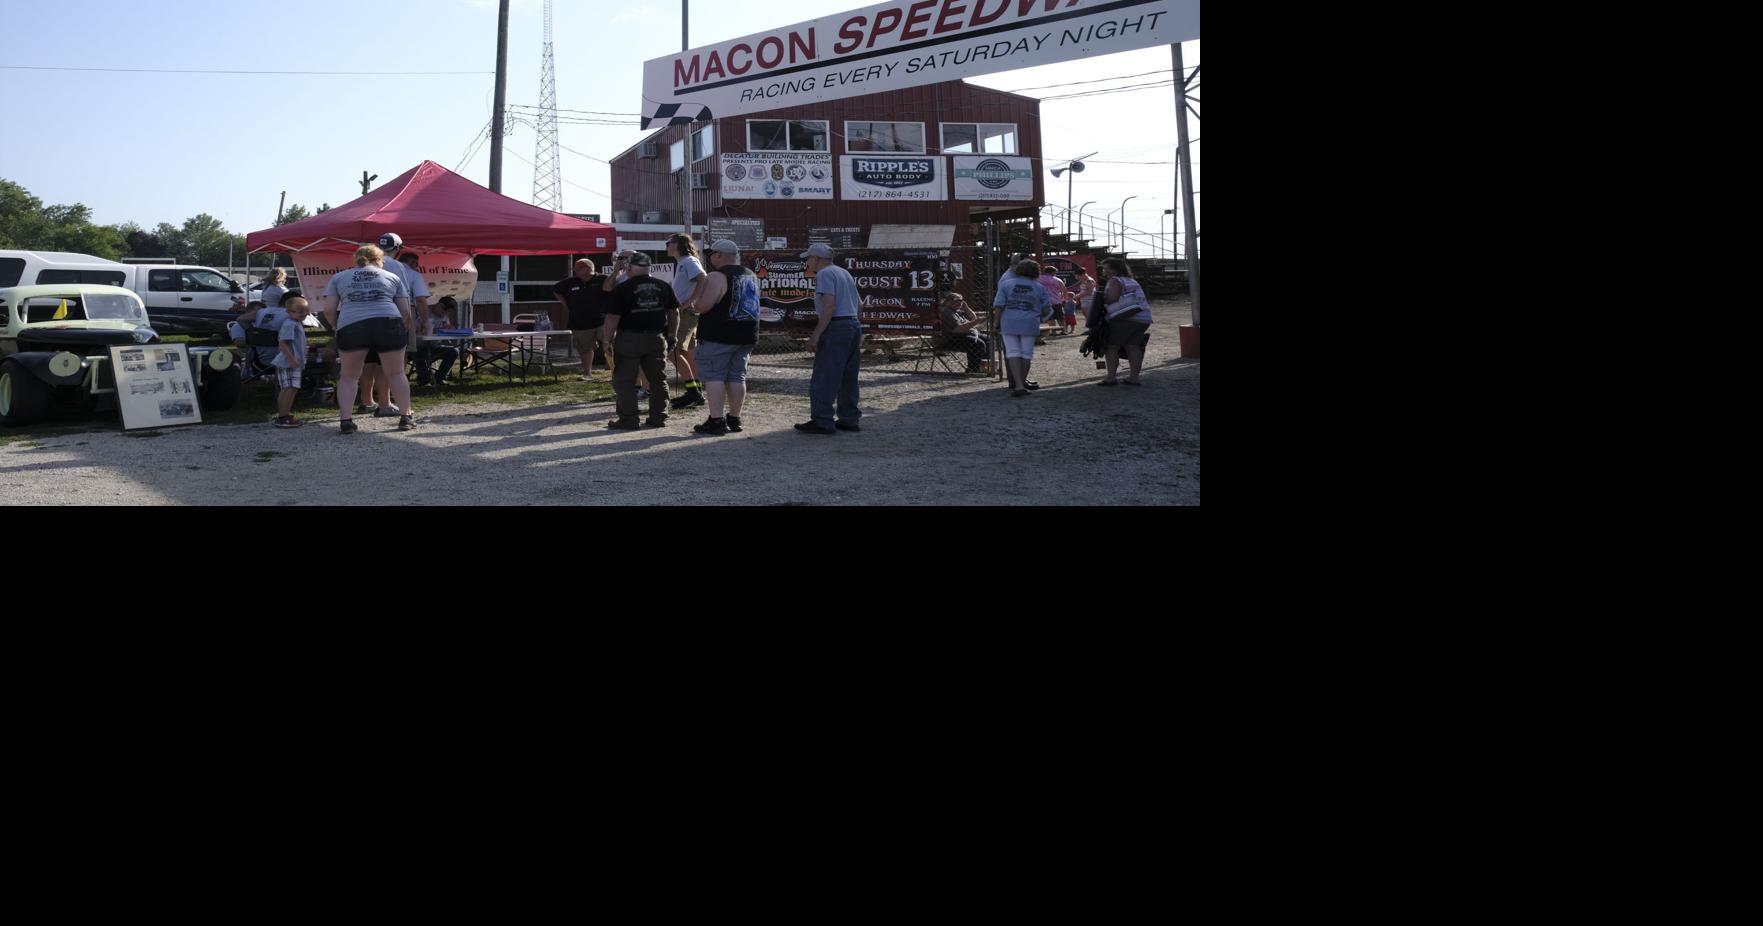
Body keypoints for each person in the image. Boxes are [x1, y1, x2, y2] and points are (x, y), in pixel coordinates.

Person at [321, 244, 414, 433]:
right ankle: (406, 417)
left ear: (356, 259)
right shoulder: (392, 277)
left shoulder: (339, 277)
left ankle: (346, 420)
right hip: (388, 322)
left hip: (352, 325)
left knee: (348, 376)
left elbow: (329, 310)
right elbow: (405, 311)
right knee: (396, 373)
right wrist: (401, 329)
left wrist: (336, 326)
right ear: (380, 260)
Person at [685, 239, 760, 436]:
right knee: (737, 376)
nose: (710, 257)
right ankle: (734, 418)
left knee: (714, 377)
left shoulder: (717, 276)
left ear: (718, 255)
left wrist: (694, 305)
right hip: (746, 334)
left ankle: (716, 420)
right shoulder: (750, 275)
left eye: (712, 254)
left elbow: (704, 306)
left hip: (719, 334)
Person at [601, 251, 678, 429]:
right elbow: (674, 312)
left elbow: (612, 317)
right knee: (658, 379)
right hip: (656, 337)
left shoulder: (622, 288)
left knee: (625, 380)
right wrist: (672, 334)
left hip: (629, 338)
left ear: (628, 268)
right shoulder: (663, 286)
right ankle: (659, 417)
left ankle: (629, 420)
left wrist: (607, 340)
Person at [795, 243, 862, 434]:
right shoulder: (844, 273)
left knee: (825, 375)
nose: (807, 263)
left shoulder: (824, 275)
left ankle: (822, 420)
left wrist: (815, 336)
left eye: (809, 259)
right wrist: (853, 323)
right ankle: (849, 418)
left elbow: (829, 306)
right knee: (849, 376)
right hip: (853, 324)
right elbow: (859, 304)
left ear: (817, 259)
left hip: (836, 327)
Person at [994, 259, 1053, 397]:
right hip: (1029, 323)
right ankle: (1022, 382)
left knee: (1013, 353)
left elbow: (999, 305)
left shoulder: (1006, 284)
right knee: (1026, 354)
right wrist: (1041, 317)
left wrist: (996, 323)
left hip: (1008, 322)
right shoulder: (1039, 287)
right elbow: (1047, 308)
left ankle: (1018, 385)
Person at [666, 234, 708, 410]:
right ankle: (696, 390)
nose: (666, 246)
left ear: (678, 244)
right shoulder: (683, 262)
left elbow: (702, 278)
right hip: (686, 313)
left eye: (669, 243)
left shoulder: (688, 261)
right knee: (689, 353)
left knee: (672, 351)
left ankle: (692, 392)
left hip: (685, 313)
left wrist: (689, 302)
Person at [555, 258, 612, 381]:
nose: (574, 270)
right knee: (585, 348)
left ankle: (612, 369)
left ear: (586, 268)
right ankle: (587, 373)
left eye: (577, 268)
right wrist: (565, 304)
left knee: (610, 344)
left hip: (603, 320)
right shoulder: (570, 282)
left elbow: (612, 289)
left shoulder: (603, 279)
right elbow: (556, 290)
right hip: (580, 322)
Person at [1099, 257, 1153, 386]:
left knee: (1111, 346)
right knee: (1133, 347)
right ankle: (1134, 378)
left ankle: (1111, 378)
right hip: (1143, 317)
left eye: (1107, 268)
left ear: (1116, 269)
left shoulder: (1114, 280)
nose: (1104, 271)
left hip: (1125, 318)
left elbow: (1112, 298)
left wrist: (1097, 300)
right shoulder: (1131, 280)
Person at [271, 297, 311, 428]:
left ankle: (284, 415)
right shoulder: (290, 324)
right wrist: (292, 359)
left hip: (294, 362)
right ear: (289, 312)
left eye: (306, 311)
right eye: (300, 311)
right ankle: (283, 416)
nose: (304, 314)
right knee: (289, 388)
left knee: (291, 388)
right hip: (289, 362)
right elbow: (283, 344)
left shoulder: (296, 323)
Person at [937, 291, 991, 374]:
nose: (959, 302)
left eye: (961, 300)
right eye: (956, 300)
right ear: (948, 302)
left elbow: (973, 317)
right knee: (977, 343)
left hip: (962, 336)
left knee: (987, 339)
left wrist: (966, 308)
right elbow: (957, 329)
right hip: (950, 339)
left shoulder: (957, 311)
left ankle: (985, 366)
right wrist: (976, 322)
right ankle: (973, 369)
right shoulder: (948, 312)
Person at [413, 296, 460, 386]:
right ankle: (424, 381)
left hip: (433, 346)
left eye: (448, 312)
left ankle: (439, 378)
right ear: (439, 305)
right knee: (419, 353)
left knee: (453, 351)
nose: (445, 314)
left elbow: (445, 330)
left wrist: (450, 329)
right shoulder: (424, 313)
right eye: (444, 311)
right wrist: (438, 330)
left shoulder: (445, 316)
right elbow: (419, 331)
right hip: (418, 346)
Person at [1037, 265, 1067, 335]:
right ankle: (1063, 330)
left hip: (1045, 302)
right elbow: (1064, 290)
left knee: (1050, 317)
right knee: (1060, 317)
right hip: (1057, 301)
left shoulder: (1039, 279)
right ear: (1053, 272)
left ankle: (1053, 331)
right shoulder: (1058, 280)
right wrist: (1063, 299)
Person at [1068, 265, 1096, 335]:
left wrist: (1078, 295)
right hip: (1085, 301)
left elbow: (1090, 291)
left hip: (1090, 301)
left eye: (1078, 276)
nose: (1077, 278)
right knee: (1087, 316)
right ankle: (1091, 329)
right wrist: (1078, 297)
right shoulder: (1084, 281)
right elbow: (1084, 291)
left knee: (1090, 316)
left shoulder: (1089, 280)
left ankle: (1093, 330)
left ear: (1083, 274)